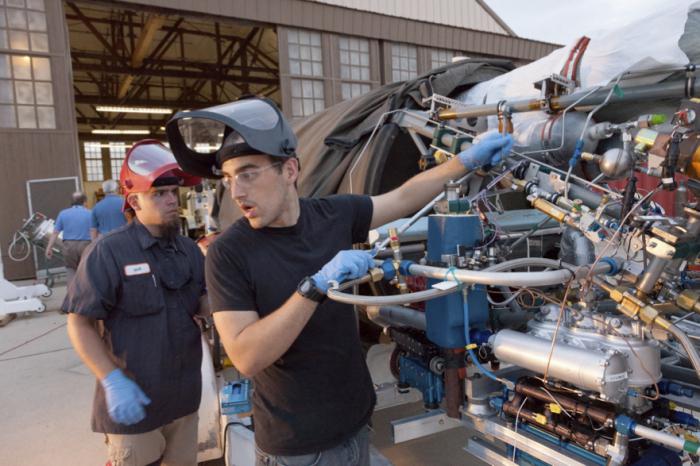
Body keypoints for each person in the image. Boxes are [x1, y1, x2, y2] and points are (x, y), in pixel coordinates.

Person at [174, 97, 513, 466]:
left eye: (248, 173)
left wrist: (466, 161)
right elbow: (247, 355)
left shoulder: (332, 214)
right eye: (229, 179)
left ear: (289, 170)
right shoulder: (229, 252)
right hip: (297, 447)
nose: (237, 192)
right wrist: (315, 286)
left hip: (355, 424)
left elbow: (402, 197)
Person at [62, 140, 207, 466]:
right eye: (159, 193)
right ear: (133, 201)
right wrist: (111, 380)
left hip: (184, 403)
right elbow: (79, 322)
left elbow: (203, 302)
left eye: (174, 191)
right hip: (135, 407)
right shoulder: (109, 252)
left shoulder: (188, 250)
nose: (172, 199)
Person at [46, 191, 92, 284]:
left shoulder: (63, 213)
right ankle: (88, 295)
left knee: (71, 271)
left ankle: (72, 296)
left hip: (69, 246)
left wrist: (49, 248)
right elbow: (94, 231)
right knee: (87, 271)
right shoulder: (90, 213)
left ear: (71, 202)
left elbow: (55, 232)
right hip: (86, 245)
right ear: (85, 202)